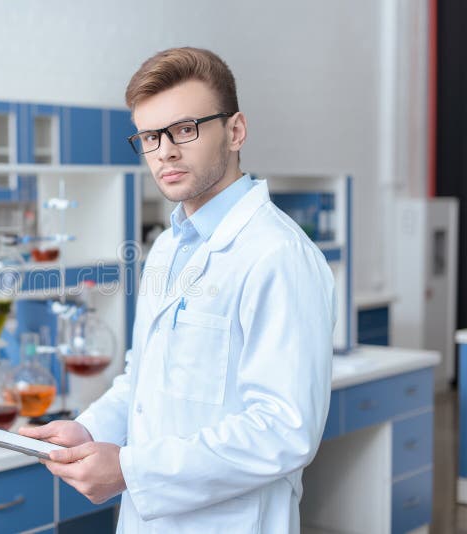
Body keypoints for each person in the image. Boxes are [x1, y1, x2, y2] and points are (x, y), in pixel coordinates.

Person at [20, 47, 336, 533]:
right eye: (150, 137)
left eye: (185, 129)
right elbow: (143, 381)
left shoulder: (278, 255)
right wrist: (88, 429)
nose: (165, 151)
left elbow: (284, 430)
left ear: (235, 131)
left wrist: (131, 470)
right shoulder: (168, 248)